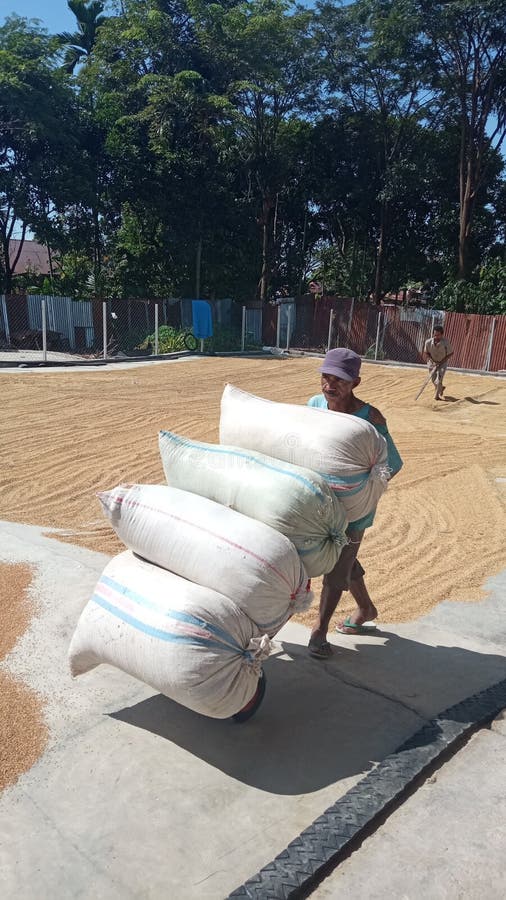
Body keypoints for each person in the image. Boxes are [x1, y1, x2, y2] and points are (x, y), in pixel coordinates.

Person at [306, 348, 403, 659]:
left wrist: (362, 492)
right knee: (343, 558)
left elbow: (393, 463)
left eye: (339, 381)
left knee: (337, 566)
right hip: (319, 502)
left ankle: (318, 633)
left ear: (355, 383)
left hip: (354, 509)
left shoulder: (370, 419)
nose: (329, 386)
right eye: (326, 377)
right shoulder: (314, 406)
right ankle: (366, 609)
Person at [423, 325, 453, 400]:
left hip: (442, 363)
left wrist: (441, 362)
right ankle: (441, 388)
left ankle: (436, 396)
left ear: (442, 334)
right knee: (433, 380)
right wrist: (432, 361)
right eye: (435, 335)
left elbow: (451, 353)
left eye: (438, 335)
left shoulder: (446, 342)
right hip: (432, 362)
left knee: (438, 380)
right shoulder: (428, 342)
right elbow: (426, 352)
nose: (436, 337)